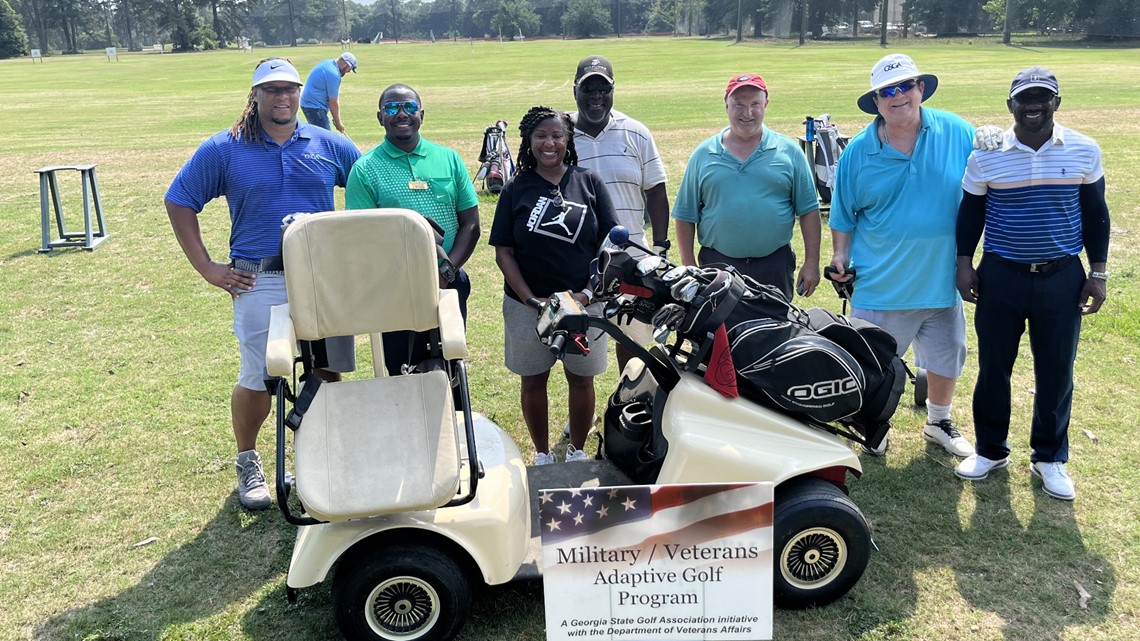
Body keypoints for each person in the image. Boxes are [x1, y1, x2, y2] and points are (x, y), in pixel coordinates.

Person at [165, 58, 361, 510]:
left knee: (328, 370)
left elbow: (370, 185)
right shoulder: (224, 148)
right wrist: (209, 268)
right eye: (271, 90)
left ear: (299, 92)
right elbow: (179, 201)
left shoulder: (328, 142)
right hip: (260, 278)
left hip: (323, 277)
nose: (282, 97)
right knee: (259, 376)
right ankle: (249, 461)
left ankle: (316, 461)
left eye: (289, 89)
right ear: (254, 95)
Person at [954, 67, 1110, 501]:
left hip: (1062, 275)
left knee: (1057, 370)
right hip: (1001, 274)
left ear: (1056, 103)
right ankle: (989, 450)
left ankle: (1049, 456)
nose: (1034, 105)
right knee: (994, 367)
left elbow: (1097, 214)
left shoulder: (1083, 149)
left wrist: (1097, 272)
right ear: (1011, 105)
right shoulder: (986, 153)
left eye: (1043, 97)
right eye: (1025, 98)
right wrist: (964, 264)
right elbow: (971, 214)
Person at [827, 53, 976, 459]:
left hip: (942, 282)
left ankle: (939, 420)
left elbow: (991, 180)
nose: (898, 97)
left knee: (948, 356)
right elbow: (843, 215)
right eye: (886, 91)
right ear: (876, 101)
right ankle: (873, 422)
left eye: (905, 86)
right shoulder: (858, 151)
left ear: (920, 89)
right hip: (881, 285)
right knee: (873, 364)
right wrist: (840, 256)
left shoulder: (959, 131)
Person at [489, 106, 618, 466]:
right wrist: (532, 300)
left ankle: (576, 450)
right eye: (541, 136)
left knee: (581, 379)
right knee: (533, 380)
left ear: (568, 141)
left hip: (583, 303)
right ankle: (543, 454)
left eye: (557, 135)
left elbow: (610, 244)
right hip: (526, 304)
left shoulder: (588, 181)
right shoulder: (516, 188)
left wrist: (588, 293)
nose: (550, 143)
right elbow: (504, 252)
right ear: (528, 142)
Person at [345, 83, 480, 372]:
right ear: (380, 117)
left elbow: (471, 225)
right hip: (392, 288)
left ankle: (453, 414)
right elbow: (362, 238)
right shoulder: (365, 169)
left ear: (422, 114)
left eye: (408, 107)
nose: (400, 113)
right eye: (391, 108)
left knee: (451, 364)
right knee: (401, 371)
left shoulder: (449, 159)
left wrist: (447, 271)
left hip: (448, 279)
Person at [672, 73, 821, 302]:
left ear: (766, 104)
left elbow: (809, 211)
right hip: (717, 266)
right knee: (716, 336)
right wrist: (689, 265)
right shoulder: (703, 154)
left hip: (774, 265)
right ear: (726, 105)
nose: (747, 113)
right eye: (739, 105)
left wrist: (812, 262)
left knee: (775, 334)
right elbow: (684, 214)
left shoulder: (789, 152)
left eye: (755, 104)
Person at [570, 55, 671, 374]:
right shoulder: (559, 135)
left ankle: (627, 407)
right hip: (576, 258)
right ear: (575, 91)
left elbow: (656, 191)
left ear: (613, 91)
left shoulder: (636, 133)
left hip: (629, 258)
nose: (596, 96)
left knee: (634, 342)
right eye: (589, 89)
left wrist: (660, 246)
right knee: (578, 346)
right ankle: (580, 420)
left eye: (603, 88)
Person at [300, 52, 357, 134]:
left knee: (320, 137)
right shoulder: (334, 74)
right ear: (345, 64)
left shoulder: (330, 64)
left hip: (309, 104)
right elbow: (333, 102)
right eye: (350, 69)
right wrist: (338, 123)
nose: (349, 71)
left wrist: (335, 119)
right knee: (326, 139)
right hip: (314, 107)